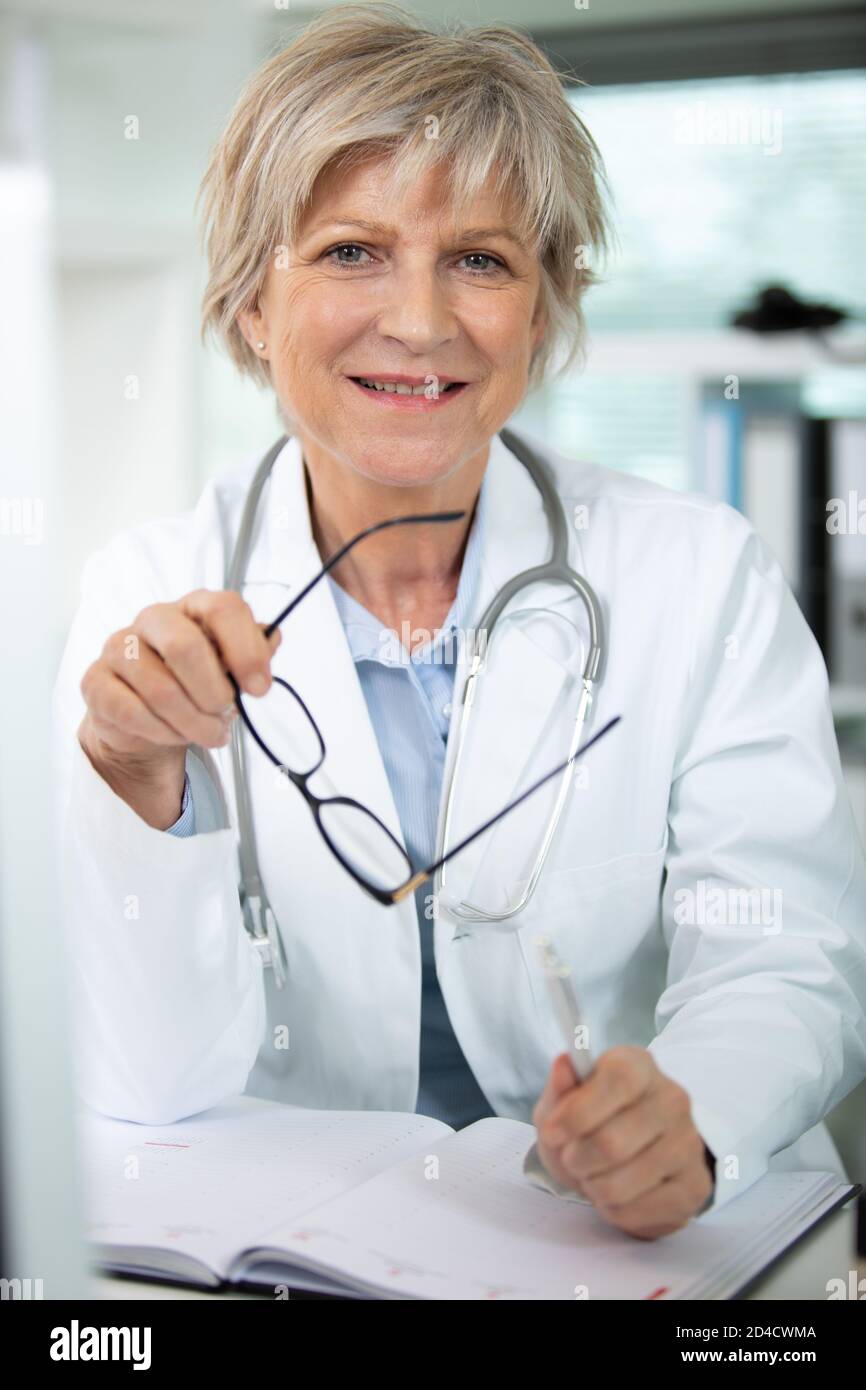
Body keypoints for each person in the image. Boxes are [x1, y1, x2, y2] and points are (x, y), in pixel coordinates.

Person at [53, 4, 866, 1242]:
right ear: (253, 300)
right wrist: (131, 770)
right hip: (297, 1250)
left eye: (480, 261)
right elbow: (140, 1082)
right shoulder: (146, 600)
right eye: (350, 251)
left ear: (539, 310)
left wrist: (694, 1118)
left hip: (608, 1253)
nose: (421, 321)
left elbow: (785, 953)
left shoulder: (697, 576)